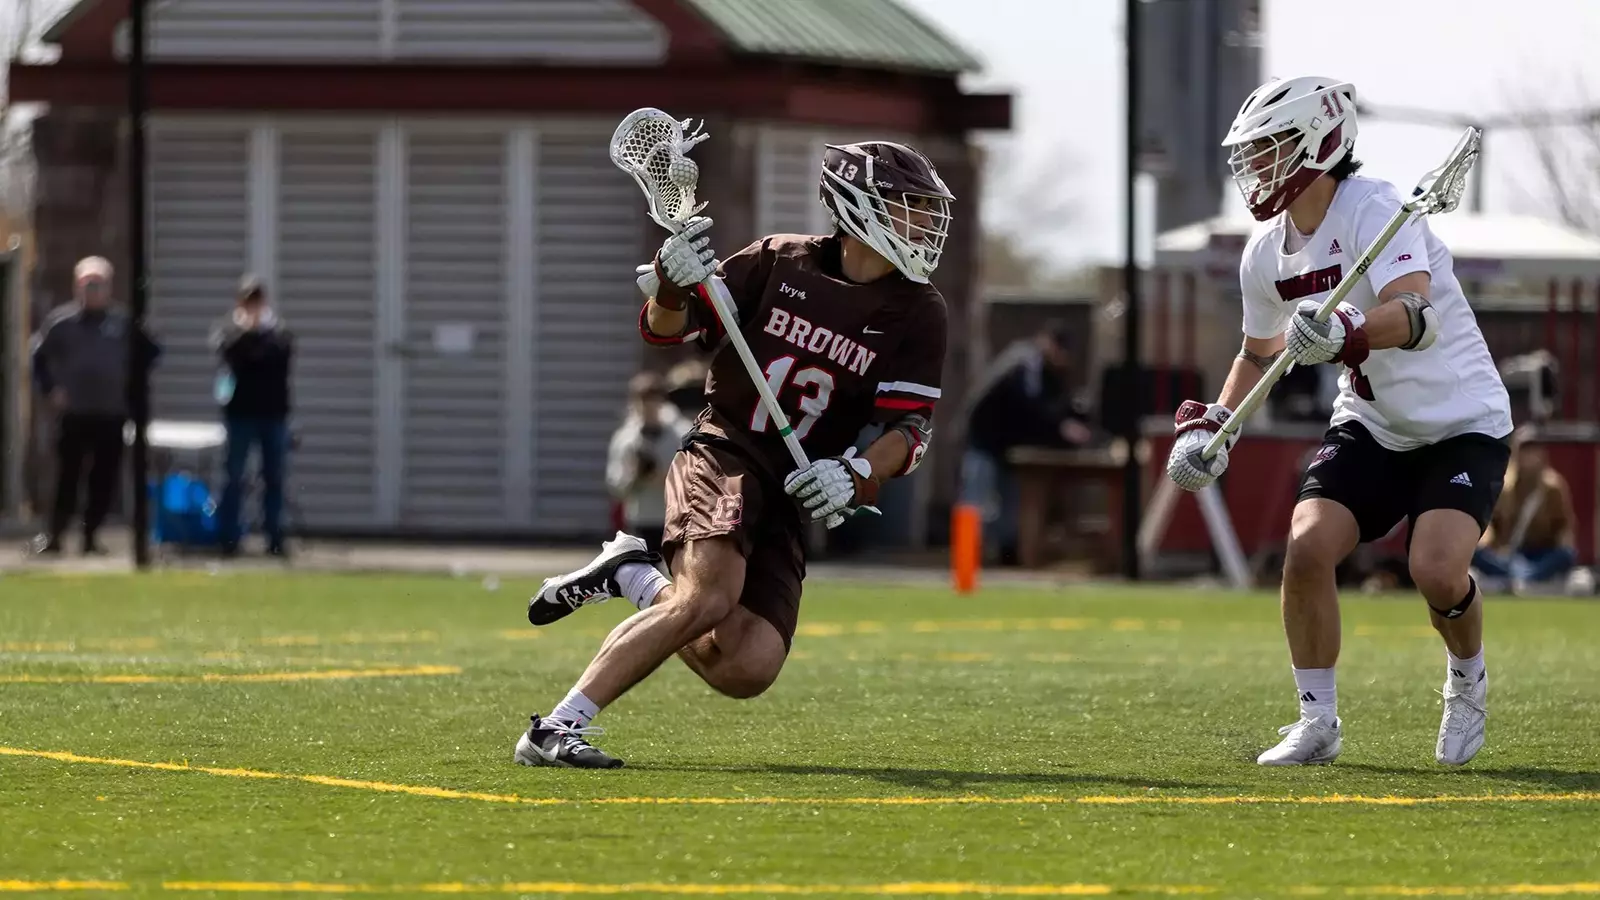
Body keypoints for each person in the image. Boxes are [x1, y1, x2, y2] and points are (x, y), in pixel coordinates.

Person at [515, 141, 953, 768]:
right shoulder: (779, 261)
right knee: (707, 597)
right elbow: (664, 330)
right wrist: (671, 282)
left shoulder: (919, 309)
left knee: (746, 665)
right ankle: (555, 728)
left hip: (793, 484)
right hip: (727, 451)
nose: (922, 223)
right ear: (858, 205)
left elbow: (909, 431)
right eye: (908, 207)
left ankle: (633, 577)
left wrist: (855, 473)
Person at [1165, 76, 1513, 767]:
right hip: (1373, 423)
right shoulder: (1264, 251)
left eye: (1271, 149)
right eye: (1254, 153)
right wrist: (1217, 426)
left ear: (1318, 145)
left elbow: (1417, 316)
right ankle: (1317, 720)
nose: (1256, 167)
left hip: (1459, 420)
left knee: (1436, 571)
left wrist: (1347, 332)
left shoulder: (1375, 209)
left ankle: (1467, 680)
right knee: (1307, 546)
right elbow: (1256, 353)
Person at [28, 256, 161, 556]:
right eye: (87, 284)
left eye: (98, 284)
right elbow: (38, 359)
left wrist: (130, 386)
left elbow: (153, 352)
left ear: (109, 287)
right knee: (67, 476)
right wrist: (52, 389)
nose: (93, 290)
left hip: (110, 412)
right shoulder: (61, 323)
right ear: (77, 286)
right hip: (74, 413)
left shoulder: (124, 323)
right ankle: (55, 536)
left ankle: (91, 537)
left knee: (103, 478)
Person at [960, 321, 1092, 564]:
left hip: (1006, 447)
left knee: (1009, 508)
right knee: (974, 502)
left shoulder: (1044, 369)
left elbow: (1054, 405)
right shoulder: (1026, 362)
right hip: (983, 439)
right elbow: (1029, 405)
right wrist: (1062, 427)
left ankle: (1005, 557)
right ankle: (964, 561)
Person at [210, 275, 295, 558]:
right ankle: (229, 538)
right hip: (240, 414)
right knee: (233, 476)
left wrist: (258, 338)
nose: (253, 308)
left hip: (273, 414)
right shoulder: (228, 330)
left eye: (257, 302)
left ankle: (274, 537)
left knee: (274, 477)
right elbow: (229, 354)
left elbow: (278, 358)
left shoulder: (279, 331)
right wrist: (247, 333)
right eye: (248, 302)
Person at [1472, 428, 1579, 593]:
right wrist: (1487, 543)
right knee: (1475, 552)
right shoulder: (1505, 486)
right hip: (1509, 554)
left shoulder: (1553, 487)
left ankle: (1516, 580)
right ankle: (1523, 580)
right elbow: (1491, 523)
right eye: (1526, 450)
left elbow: (1563, 525)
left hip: (1541, 554)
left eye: (1534, 450)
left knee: (1566, 555)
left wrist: (1564, 546)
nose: (1530, 456)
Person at [605, 371, 694, 552]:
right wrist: (635, 475)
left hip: (676, 517)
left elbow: (696, 475)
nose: (647, 407)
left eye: (652, 400)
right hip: (641, 517)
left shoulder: (681, 433)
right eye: (642, 401)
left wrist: (668, 478)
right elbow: (615, 485)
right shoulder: (626, 439)